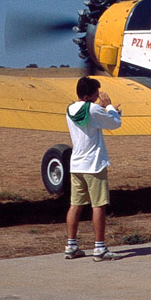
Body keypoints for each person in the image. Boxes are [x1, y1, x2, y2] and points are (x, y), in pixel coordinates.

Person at [64, 76, 122, 261]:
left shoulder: (70, 109)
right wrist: (110, 107)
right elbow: (115, 123)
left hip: (77, 165)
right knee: (98, 205)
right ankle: (99, 248)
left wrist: (105, 112)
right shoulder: (94, 108)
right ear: (89, 96)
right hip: (94, 165)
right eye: (96, 94)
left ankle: (71, 246)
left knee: (75, 205)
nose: (99, 97)